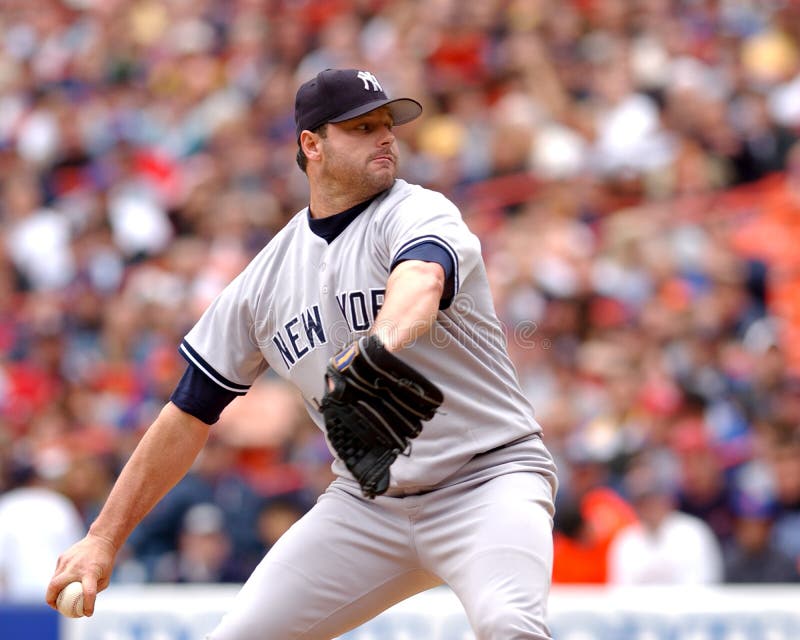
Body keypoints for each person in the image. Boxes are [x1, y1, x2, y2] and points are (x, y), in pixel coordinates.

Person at [46, 68, 558, 640]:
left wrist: (375, 347)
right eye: (362, 128)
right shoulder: (266, 280)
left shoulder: (418, 211)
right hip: (368, 506)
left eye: (388, 125)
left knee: (510, 626)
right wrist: (103, 538)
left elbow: (421, 282)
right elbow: (187, 413)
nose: (385, 137)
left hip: (488, 478)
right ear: (311, 144)